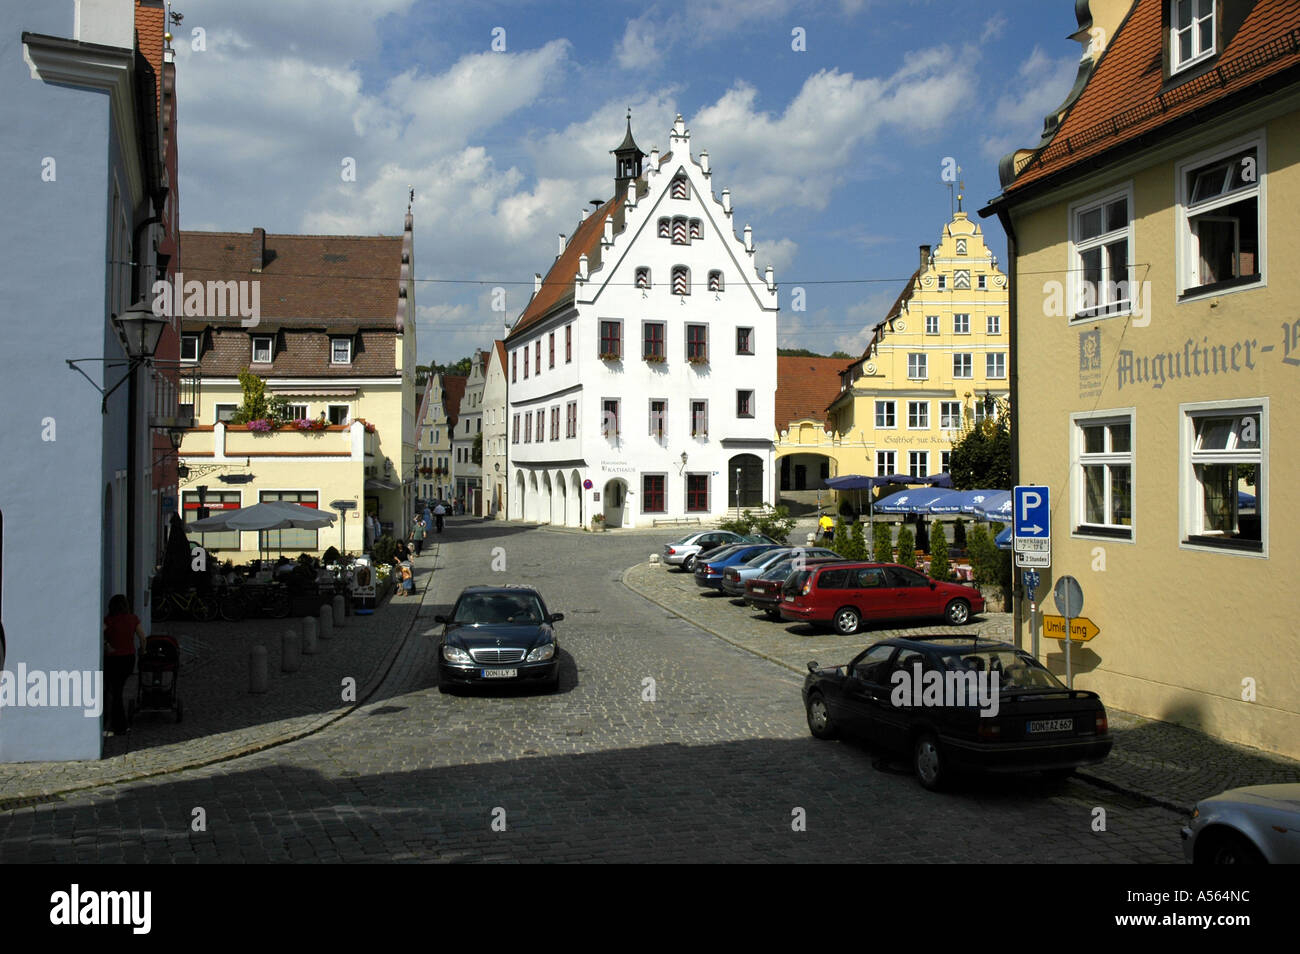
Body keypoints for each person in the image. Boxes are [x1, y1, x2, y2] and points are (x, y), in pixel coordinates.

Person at [103, 594, 145, 736]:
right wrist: (142, 650)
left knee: (114, 692)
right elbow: (142, 637)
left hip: (113, 659)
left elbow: (100, 633)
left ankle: (117, 725)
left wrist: (106, 644)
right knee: (117, 691)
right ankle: (118, 724)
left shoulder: (109, 620)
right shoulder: (133, 619)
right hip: (128, 659)